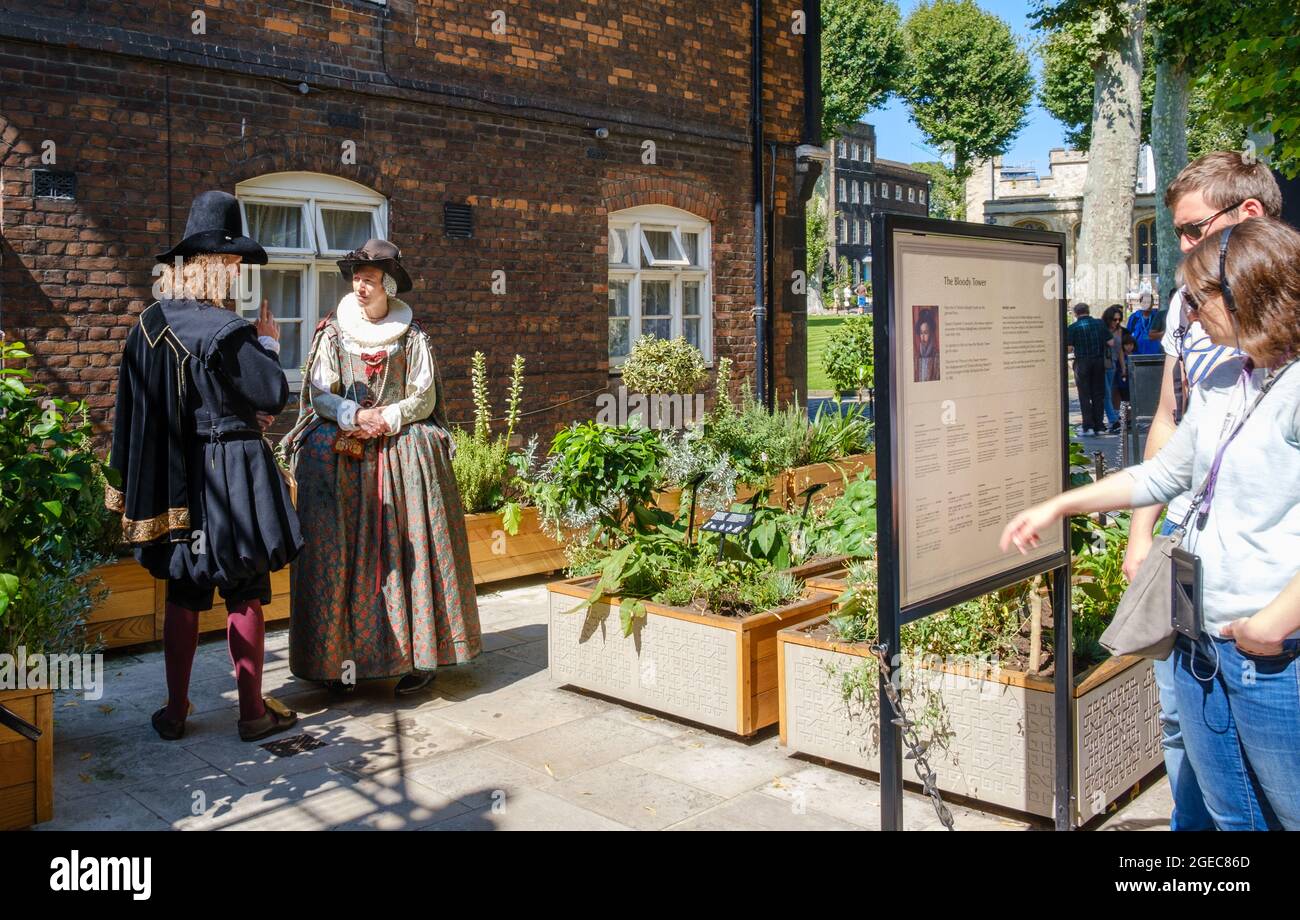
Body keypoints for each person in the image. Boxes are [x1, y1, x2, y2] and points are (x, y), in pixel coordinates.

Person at [1003, 217, 1300, 830]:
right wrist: (1060, 504)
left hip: (1271, 657)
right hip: (1198, 638)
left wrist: (1272, 624)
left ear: (1249, 293)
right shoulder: (1226, 381)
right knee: (1233, 814)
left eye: (1199, 298)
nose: (1187, 314)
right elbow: (1162, 474)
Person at [1122, 150, 1282, 831]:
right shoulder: (1185, 304)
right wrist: (1142, 533)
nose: (1184, 245)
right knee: (1182, 720)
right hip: (1186, 547)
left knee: (1270, 752)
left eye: (1194, 229)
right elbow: (1167, 417)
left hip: (1268, 558)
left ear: (1249, 213)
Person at [107, 190, 303, 742]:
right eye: (235, 264)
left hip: (175, 480)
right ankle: (252, 715)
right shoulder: (226, 330)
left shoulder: (147, 325)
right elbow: (271, 392)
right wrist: (267, 344)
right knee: (243, 589)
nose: (239, 275)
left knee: (184, 589)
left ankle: (175, 713)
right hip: (229, 475)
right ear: (216, 265)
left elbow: (148, 404)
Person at [283, 239, 482, 696]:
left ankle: (421, 656)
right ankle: (335, 663)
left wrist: (388, 417)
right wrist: (354, 414)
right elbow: (319, 394)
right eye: (356, 279)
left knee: (415, 500)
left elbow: (424, 398)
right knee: (336, 538)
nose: (360, 287)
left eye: (369, 280)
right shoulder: (334, 332)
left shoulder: (412, 335)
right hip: (348, 444)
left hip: (398, 440)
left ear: (388, 285)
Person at [1066, 302, 1107, 436]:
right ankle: (1099, 426)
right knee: (1098, 394)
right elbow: (1111, 342)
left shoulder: (1073, 327)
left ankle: (1088, 426)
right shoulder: (1099, 324)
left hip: (1082, 362)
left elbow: (1069, 348)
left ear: (1075, 313)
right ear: (1088, 311)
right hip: (1098, 361)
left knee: (1084, 395)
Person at [1100, 304, 1125, 433]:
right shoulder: (1103, 329)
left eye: (1119, 319)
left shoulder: (1119, 330)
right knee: (1106, 392)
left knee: (1109, 391)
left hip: (1113, 364)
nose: (1117, 322)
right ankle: (1113, 420)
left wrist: (1123, 367)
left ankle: (1111, 418)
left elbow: (1120, 350)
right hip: (1103, 363)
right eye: (1114, 319)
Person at [1126, 291, 1164, 356]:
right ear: (1141, 303)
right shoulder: (1134, 318)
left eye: (1149, 302)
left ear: (1153, 303)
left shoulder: (1158, 317)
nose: (1147, 304)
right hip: (1136, 355)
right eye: (1145, 302)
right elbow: (1128, 336)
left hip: (1156, 355)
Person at [914, 309, 940, 382]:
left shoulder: (937, 356)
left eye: (925, 333)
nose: (922, 337)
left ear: (931, 333)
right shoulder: (916, 356)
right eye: (921, 333)